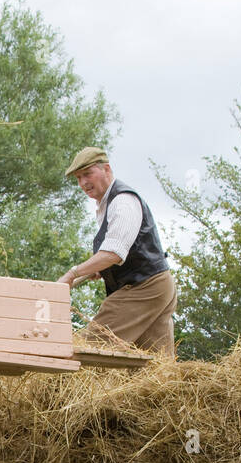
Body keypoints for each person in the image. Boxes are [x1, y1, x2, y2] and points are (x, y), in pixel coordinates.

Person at [60, 146, 177, 357]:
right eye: (78, 178)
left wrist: (73, 273)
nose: (83, 183)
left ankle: (59, 389)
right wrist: (101, 269)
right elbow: (118, 254)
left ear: (106, 169)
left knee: (91, 347)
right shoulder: (106, 206)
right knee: (152, 366)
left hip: (144, 287)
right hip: (157, 287)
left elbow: (113, 253)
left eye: (87, 174)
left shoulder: (122, 201)